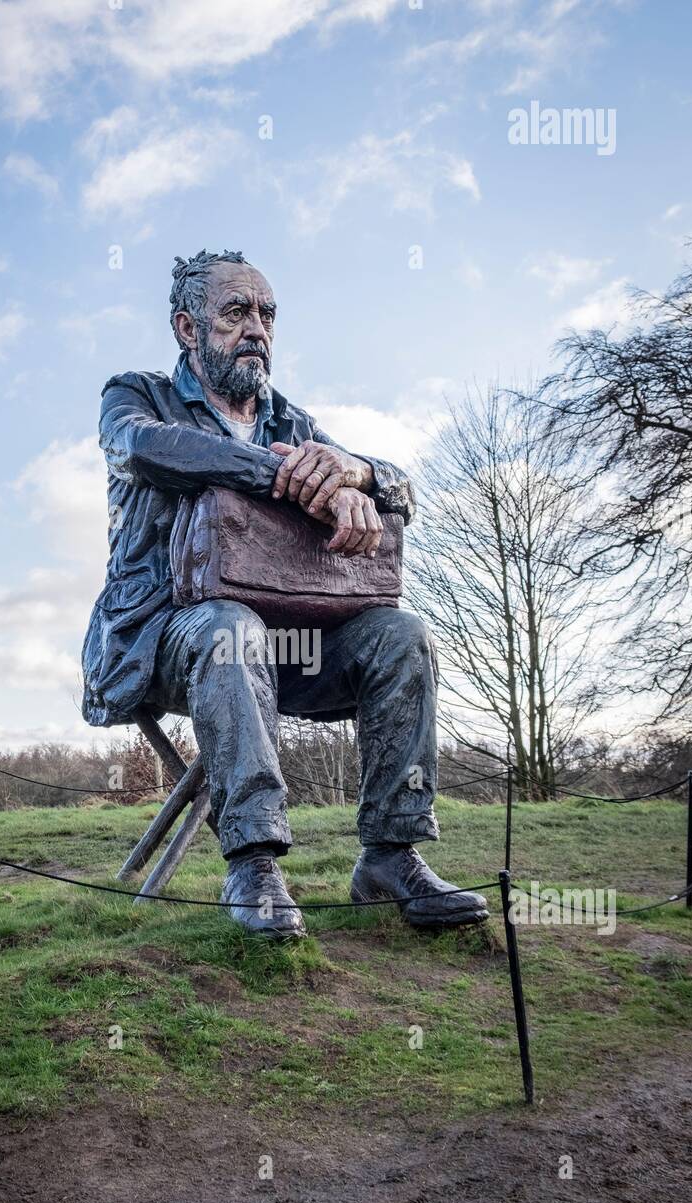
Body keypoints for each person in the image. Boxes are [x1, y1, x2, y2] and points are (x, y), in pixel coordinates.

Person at [82, 249, 488, 940]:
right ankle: (254, 863)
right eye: (235, 312)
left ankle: (391, 858)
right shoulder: (135, 395)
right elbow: (145, 449)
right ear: (187, 328)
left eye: (267, 314)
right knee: (228, 626)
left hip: (291, 645)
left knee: (403, 637)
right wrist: (282, 477)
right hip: (163, 636)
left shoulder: (293, 424)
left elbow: (403, 491)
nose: (257, 330)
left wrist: (355, 473)